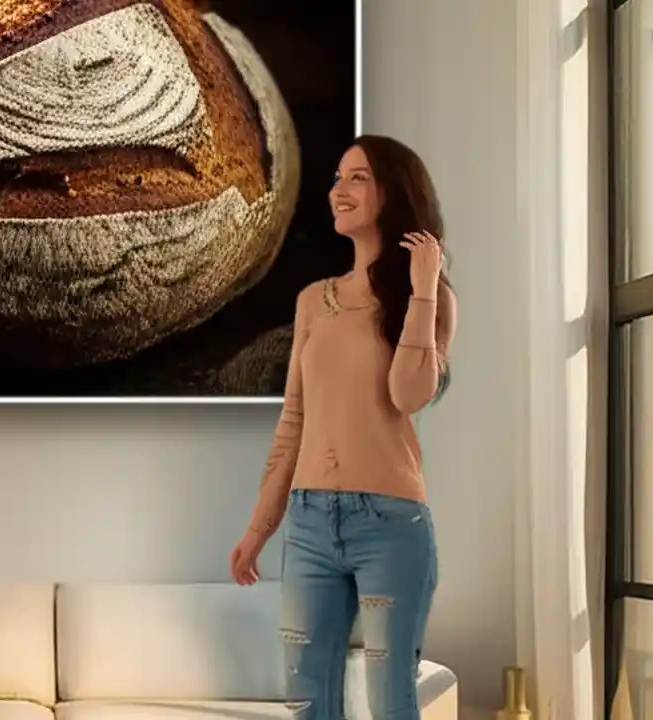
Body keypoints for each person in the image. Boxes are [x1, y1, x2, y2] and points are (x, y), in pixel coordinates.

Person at [229, 134, 457, 720]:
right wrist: (259, 529)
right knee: (308, 703)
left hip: (391, 526)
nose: (339, 189)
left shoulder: (430, 298)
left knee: (390, 703)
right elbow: (293, 424)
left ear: (393, 192)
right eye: (336, 177)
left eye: (357, 177)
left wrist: (425, 287)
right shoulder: (313, 300)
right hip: (307, 526)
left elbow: (408, 394)